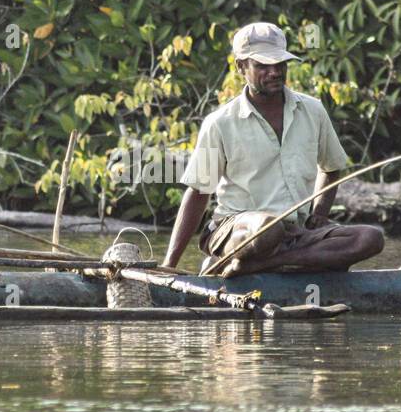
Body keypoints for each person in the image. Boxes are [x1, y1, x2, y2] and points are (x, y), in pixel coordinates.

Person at [161, 21, 385, 277]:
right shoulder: (220, 122)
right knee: (269, 228)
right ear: (241, 67)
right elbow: (199, 192)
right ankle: (269, 260)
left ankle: (269, 264)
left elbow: (331, 168)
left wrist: (319, 216)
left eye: (280, 65)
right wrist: (169, 265)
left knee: (370, 238)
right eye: (262, 66)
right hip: (238, 230)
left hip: (295, 233)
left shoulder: (312, 110)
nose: (274, 72)